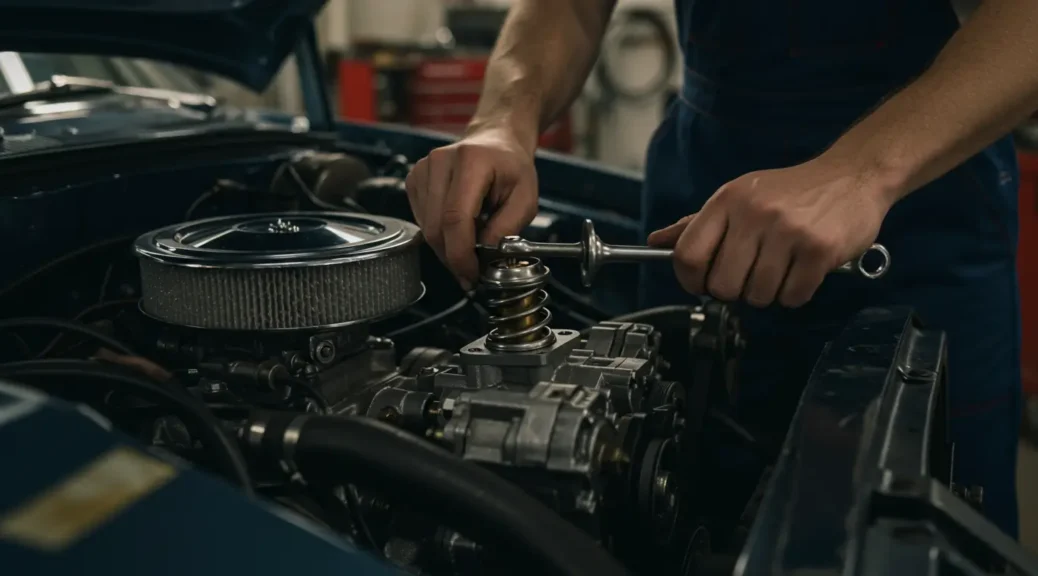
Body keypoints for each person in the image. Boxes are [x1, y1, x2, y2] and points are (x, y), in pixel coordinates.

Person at [405, 0, 1028, 537]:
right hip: (702, 187)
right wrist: (502, 122)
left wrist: (862, 172)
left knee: (914, 531)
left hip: (919, 208)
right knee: (667, 504)